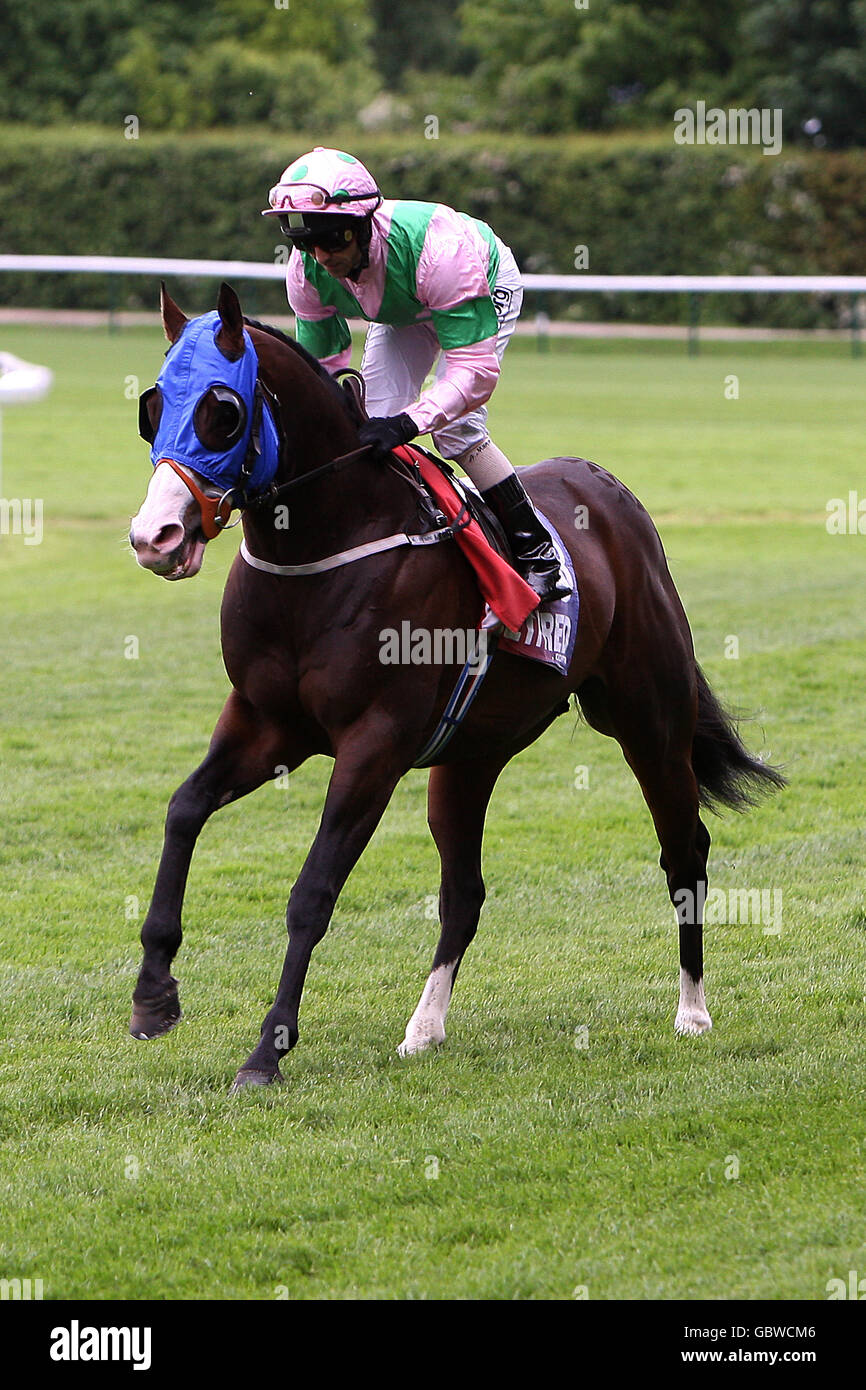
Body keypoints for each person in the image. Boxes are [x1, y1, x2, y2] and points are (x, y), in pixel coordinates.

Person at [262, 146, 570, 602]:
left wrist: (410, 423)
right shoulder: (306, 271)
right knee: (369, 428)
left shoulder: (442, 251)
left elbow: (475, 375)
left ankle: (536, 550)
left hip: (478, 280)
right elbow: (321, 373)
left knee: (457, 427)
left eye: (332, 239)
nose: (321, 256)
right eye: (306, 241)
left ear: (364, 225)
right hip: (406, 307)